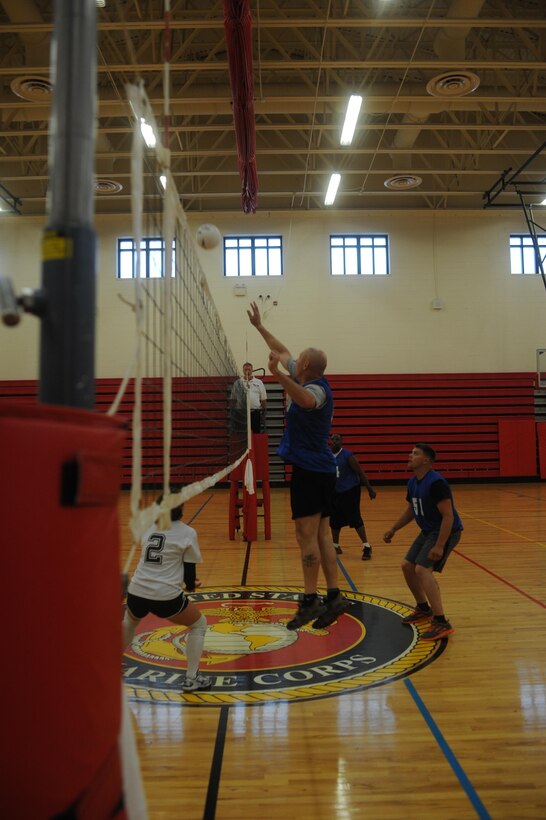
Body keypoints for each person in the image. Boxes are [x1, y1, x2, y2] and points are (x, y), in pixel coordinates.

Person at [247, 300, 348, 630]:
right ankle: (334, 597)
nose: (292, 359)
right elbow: (282, 347)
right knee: (320, 537)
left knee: (305, 535)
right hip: (318, 471)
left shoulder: (317, 390)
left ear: (303, 365)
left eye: (296, 360)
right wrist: (260, 327)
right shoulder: (306, 375)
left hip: (312, 472)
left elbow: (305, 401)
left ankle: (309, 601)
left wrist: (275, 374)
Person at [122, 494, 211, 691]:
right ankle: (192, 678)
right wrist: (191, 584)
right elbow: (189, 575)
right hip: (164, 596)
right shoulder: (188, 533)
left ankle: (110, 665)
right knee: (199, 625)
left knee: (130, 621)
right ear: (180, 509)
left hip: (137, 590)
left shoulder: (148, 527)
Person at [383, 443, 463, 640]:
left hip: (445, 531)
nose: (410, 456)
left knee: (422, 569)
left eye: (415, 453)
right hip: (428, 530)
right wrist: (394, 528)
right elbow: (412, 509)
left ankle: (441, 621)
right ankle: (423, 608)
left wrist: (439, 545)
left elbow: (448, 516)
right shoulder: (413, 482)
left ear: (426, 460)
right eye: (411, 452)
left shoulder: (437, 483)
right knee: (407, 566)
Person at [330, 433, 376, 560]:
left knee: (354, 517)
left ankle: (366, 546)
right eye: (332, 439)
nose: (334, 441)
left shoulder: (348, 456)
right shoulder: (327, 455)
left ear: (342, 442)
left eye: (337, 439)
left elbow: (360, 472)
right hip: (335, 492)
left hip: (350, 491)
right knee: (334, 520)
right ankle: (335, 546)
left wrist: (369, 488)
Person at [230, 361, 267, 434]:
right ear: (243, 370)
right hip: (241, 413)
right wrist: (234, 411)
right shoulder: (238, 383)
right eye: (246, 369)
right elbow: (233, 399)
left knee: (256, 433)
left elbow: (263, 399)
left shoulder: (259, 382)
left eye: (249, 369)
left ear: (252, 370)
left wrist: (264, 412)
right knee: (241, 434)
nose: (247, 371)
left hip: (255, 412)